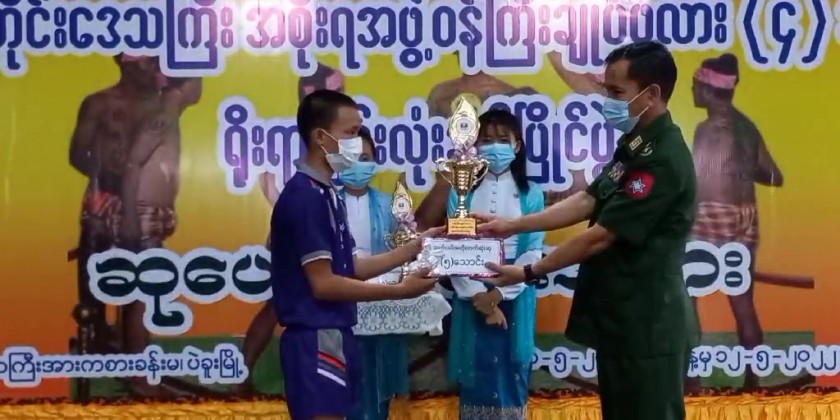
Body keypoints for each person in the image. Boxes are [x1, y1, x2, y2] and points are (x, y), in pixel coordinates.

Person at [475, 41, 700, 420]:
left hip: (648, 326)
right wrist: (511, 225)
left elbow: (601, 234)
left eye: (615, 93)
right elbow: (588, 201)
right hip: (623, 320)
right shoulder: (636, 146)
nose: (606, 101)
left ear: (652, 94)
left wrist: (528, 272)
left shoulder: (662, 159)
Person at [272, 89, 441, 420]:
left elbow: (350, 267)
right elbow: (324, 284)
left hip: (335, 334)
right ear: (321, 137)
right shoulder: (305, 198)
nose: (355, 141)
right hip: (316, 338)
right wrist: (398, 292)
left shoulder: (327, 194)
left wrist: (413, 248)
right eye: (350, 133)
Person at [68, 54, 201, 396]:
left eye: (156, 61)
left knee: (140, 291)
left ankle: (135, 367)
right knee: (103, 296)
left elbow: (193, 87)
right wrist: (118, 175)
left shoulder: (163, 103)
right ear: (124, 62)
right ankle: (116, 367)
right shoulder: (100, 103)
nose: (153, 67)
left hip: (139, 208)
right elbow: (77, 154)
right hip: (104, 206)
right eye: (146, 61)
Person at [237, 62, 346, 395]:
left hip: (318, 229)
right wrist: (294, 217)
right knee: (282, 305)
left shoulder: (334, 146)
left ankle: (241, 378)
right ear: (312, 93)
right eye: (334, 91)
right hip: (298, 233)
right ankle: (241, 376)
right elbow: (269, 186)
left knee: (281, 305)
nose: (340, 96)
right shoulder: (290, 139)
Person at [690, 53, 783, 390]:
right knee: (742, 300)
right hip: (747, 216)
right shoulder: (747, 125)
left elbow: (696, 183)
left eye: (696, 85)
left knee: (688, 294)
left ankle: (692, 382)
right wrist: (741, 167)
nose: (692, 90)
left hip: (713, 214)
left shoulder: (706, 130)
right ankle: (752, 380)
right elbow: (774, 175)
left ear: (710, 90)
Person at [446, 109, 544, 420]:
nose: (494, 146)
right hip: (472, 296)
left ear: (517, 146)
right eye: (486, 140)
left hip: (515, 293)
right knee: (477, 373)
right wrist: (481, 299)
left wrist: (499, 296)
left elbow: (533, 253)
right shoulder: (460, 191)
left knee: (513, 372)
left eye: (503, 139)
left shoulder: (532, 194)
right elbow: (454, 248)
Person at [336, 126, 412, 420]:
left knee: (378, 382)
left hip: (381, 300)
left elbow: (404, 251)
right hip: (340, 301)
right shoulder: (325, 202)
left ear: (375, 161)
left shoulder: (389, 203)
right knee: (344, 381)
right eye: (350, 158)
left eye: (364, 157)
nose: (357, 165)